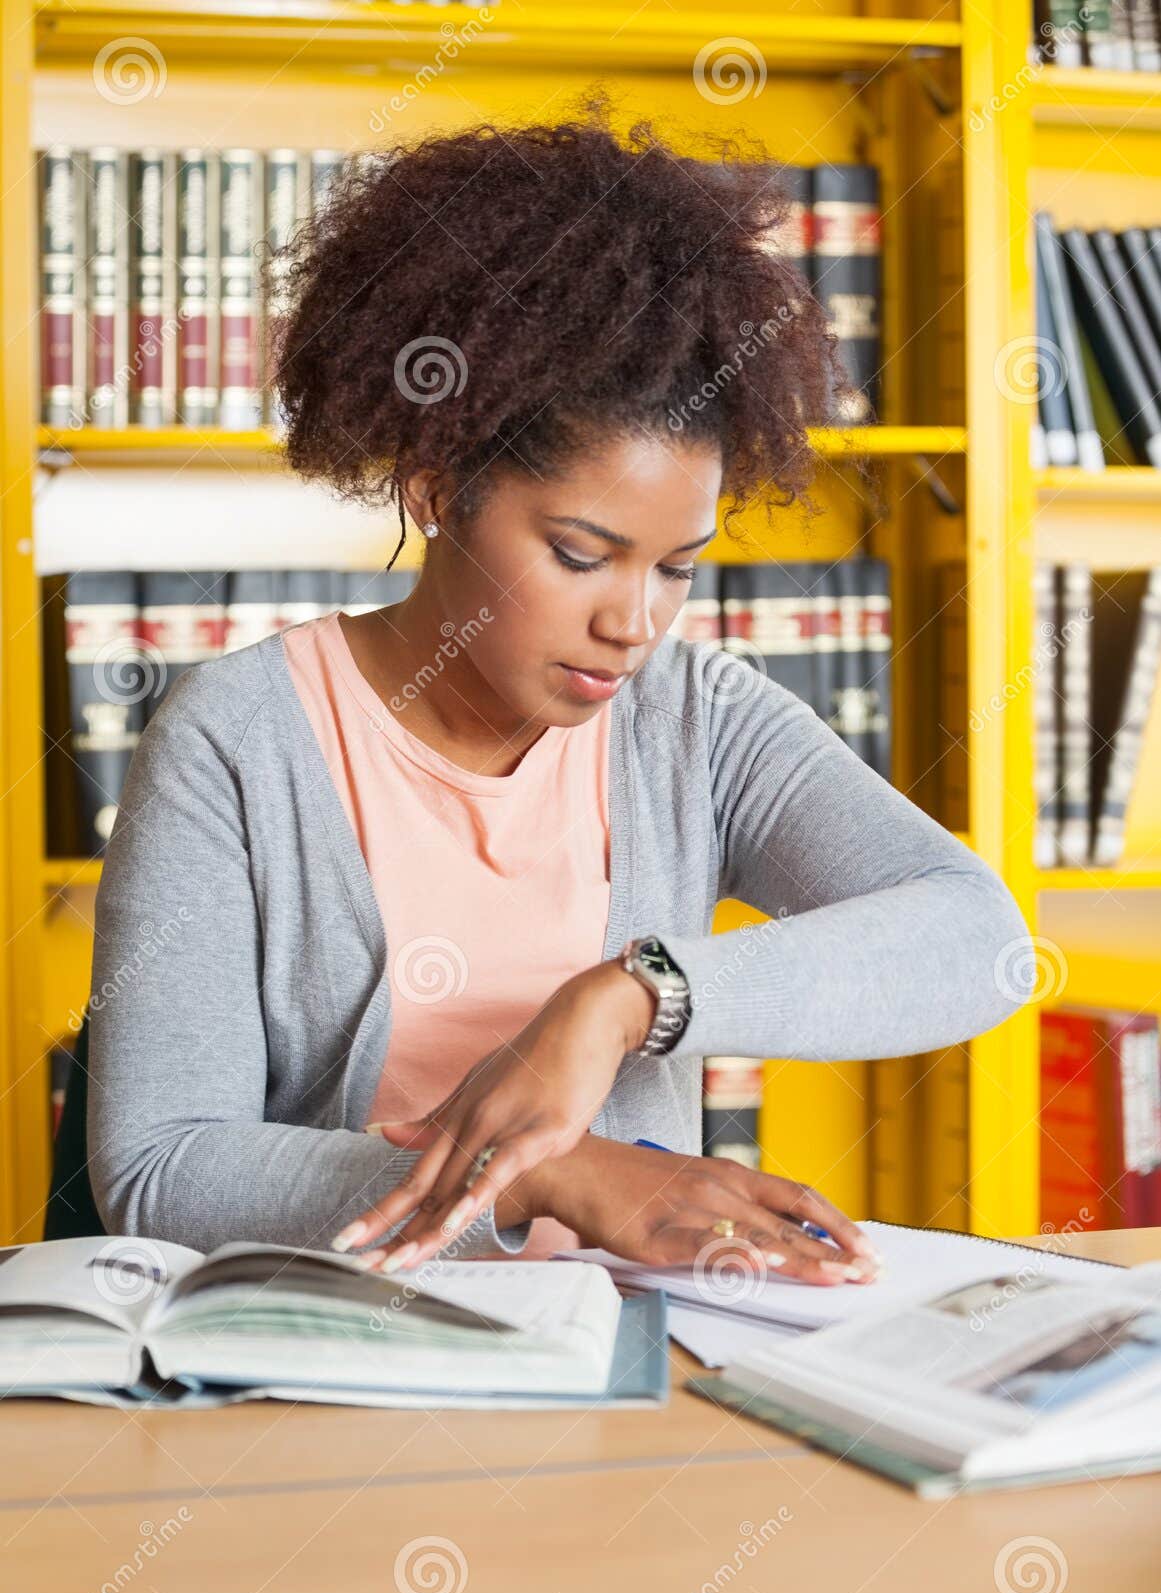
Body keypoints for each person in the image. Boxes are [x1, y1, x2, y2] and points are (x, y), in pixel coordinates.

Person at [86, 97, 1033, 1290]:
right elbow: (162, 1167)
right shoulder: (237, 740)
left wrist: (634, 995)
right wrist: (538, 1174)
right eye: (582, 553)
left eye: (676, 568)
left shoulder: (697, 724)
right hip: (323, 1372)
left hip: (622, 1374)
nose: (633, 621)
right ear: (436, 488)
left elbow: (981, 939)